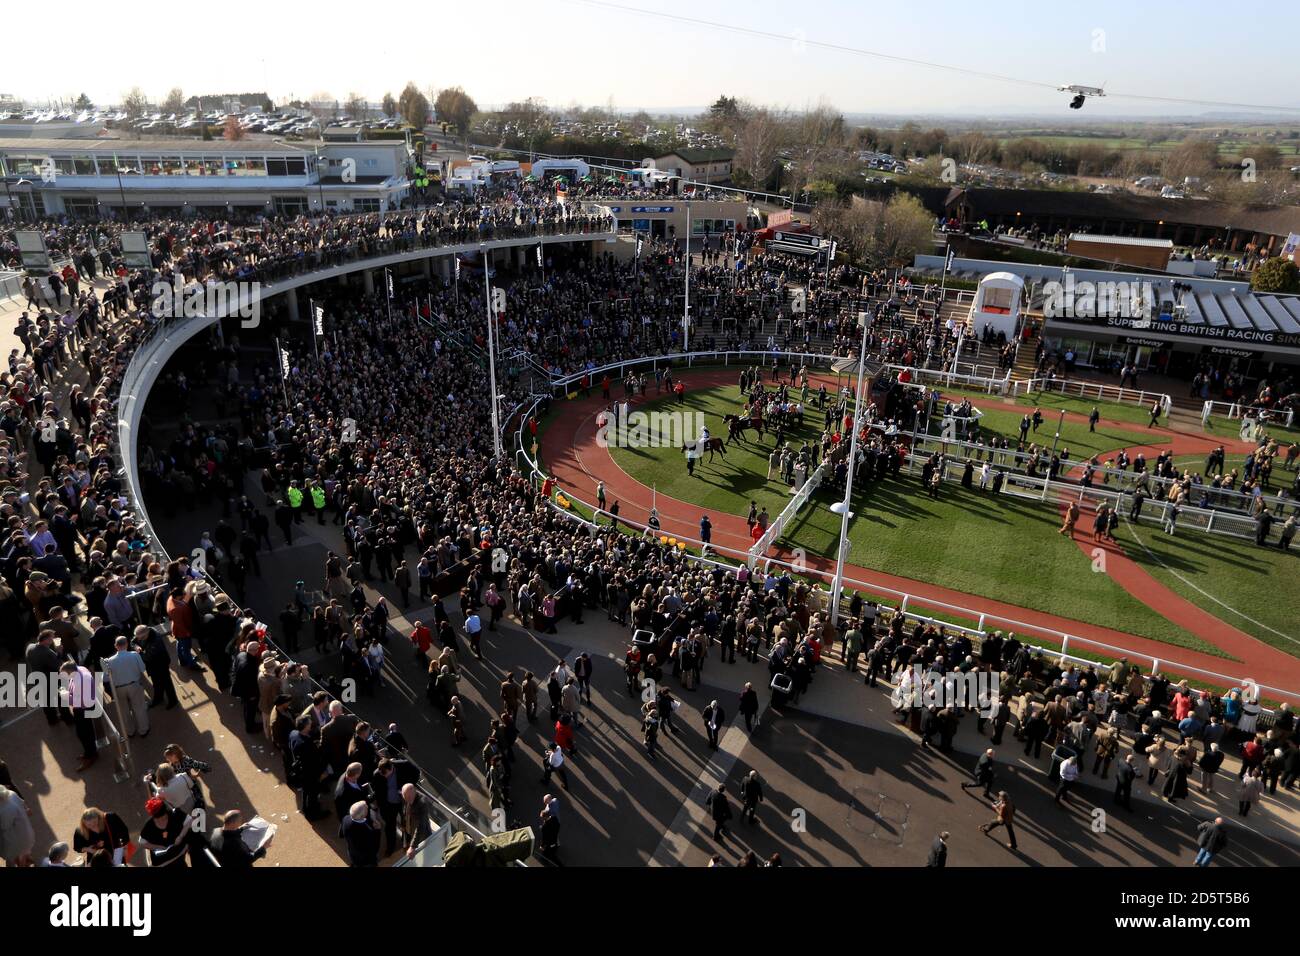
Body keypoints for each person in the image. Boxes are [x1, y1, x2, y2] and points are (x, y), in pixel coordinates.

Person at [0, 785, 35, 868]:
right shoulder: (11, 793)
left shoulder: (4, 809)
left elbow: (4, 826)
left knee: (18, 856)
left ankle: (23, 863)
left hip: (16, 840)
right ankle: (28, 859)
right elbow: (23, 804)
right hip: (25, 832)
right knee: (25, 851)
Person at [341, 800, 382, 867]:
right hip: (366, 861)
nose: (368, 808)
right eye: (366, 808)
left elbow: (341, 834)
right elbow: (375, 848)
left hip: (353, 856)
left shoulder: (345, 819)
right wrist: (378, 830)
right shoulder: (367, 831)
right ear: (362, 815)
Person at [400, 783, 432, 860]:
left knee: (425, 855)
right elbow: (405, 811)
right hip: (410, 828)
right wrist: (403, 824)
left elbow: (421, 826)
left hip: (422, 834)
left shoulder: (422, 802)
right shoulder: (407, 796)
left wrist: (412, 846)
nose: (407, 800)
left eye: (409, 798)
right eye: (405, 798)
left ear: (414, 791)